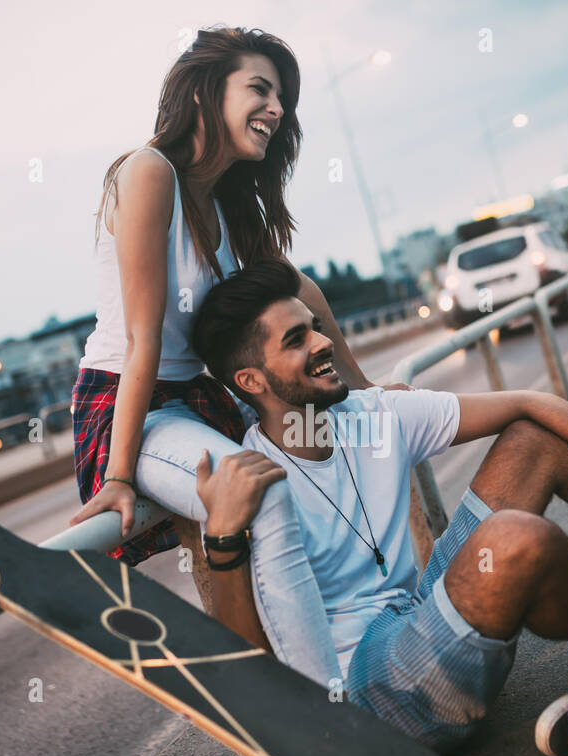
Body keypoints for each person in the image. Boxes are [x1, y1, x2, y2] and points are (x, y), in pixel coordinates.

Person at [187, 259, 568, 751]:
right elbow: (245, 669)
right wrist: (223, 540)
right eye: (297, 340)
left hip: (419, 615)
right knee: (516, 541)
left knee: (530, 442)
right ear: (251, 381)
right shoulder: (251, 483)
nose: (324, 343)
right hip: (377, 689)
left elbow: (531, 404)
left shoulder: (370, 413)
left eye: (315, 327)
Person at [68, 27, 392, 683]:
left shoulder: (228, 203)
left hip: (202, 403)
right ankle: (320, 711)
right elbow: (142, 341)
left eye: (281, 100)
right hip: (133, 402)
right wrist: (120, 477)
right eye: (260, 89)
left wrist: (363, 392)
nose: (276, 109)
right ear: (206, 92)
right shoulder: (148, 172)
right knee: (258, 491)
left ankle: (341, 650)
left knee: (336, 449)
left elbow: (303, 291)